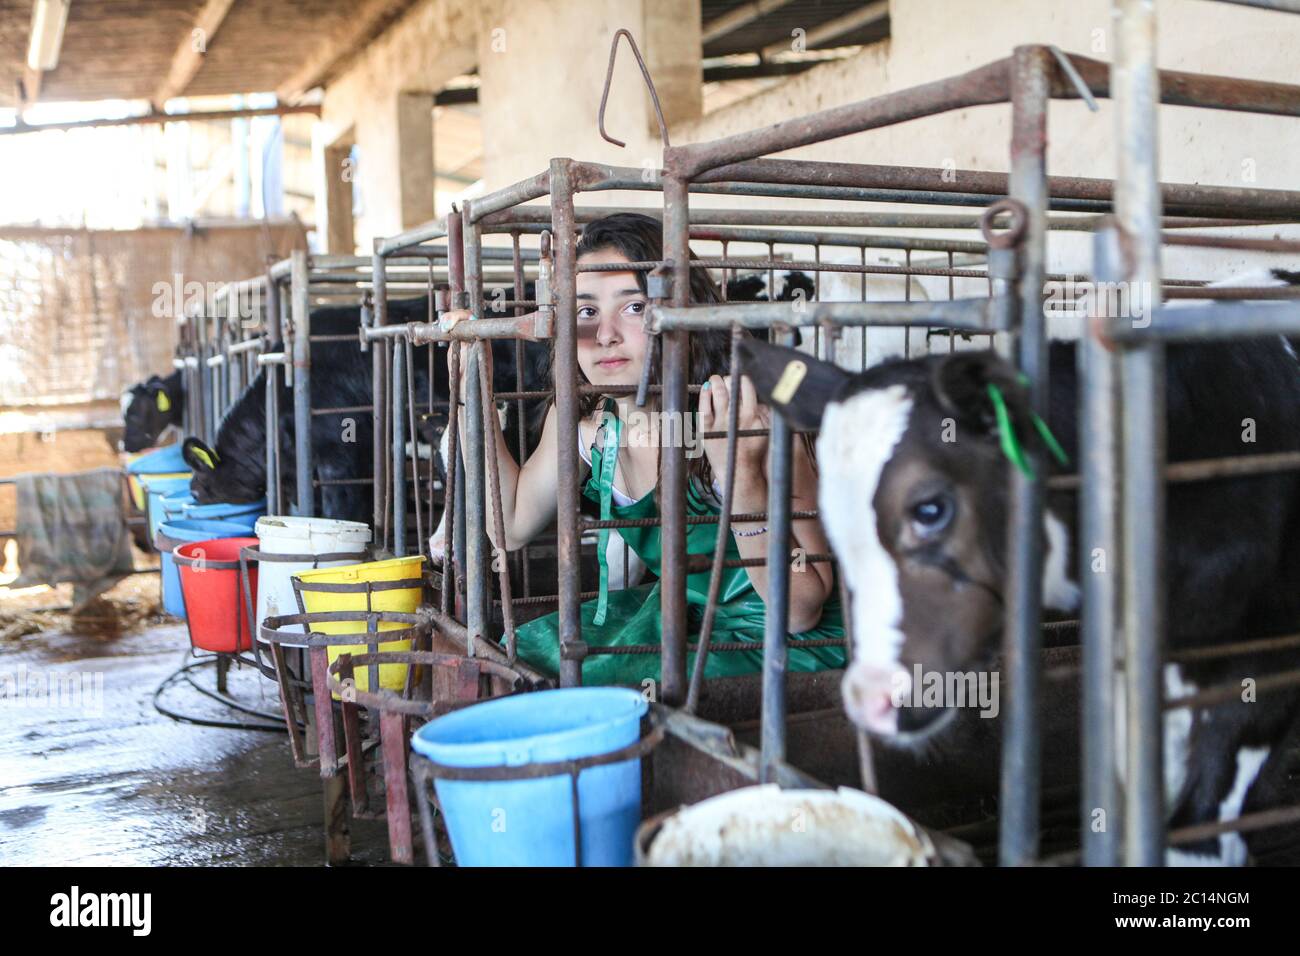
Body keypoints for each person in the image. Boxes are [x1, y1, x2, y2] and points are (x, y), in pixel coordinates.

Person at [440, 212, 845, 685]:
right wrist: (475, 391)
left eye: (634, 308)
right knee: (518, 655)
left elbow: (801, 614)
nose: (606, 334)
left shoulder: (747, 415)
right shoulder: (589, 427)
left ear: (683, 314)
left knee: (598, 685)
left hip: (787, 644)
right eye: (586, 312)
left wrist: (744, 483)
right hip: (685, 616)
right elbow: (508, 526)